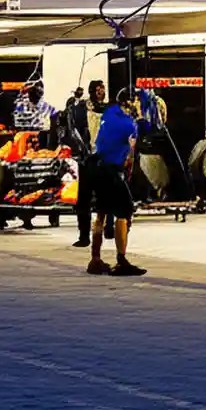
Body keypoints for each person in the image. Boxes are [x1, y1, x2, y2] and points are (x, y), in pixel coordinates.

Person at [87, 88, 146, 276]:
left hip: (96, 167)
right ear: (129, 103)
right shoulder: (129, 125)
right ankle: (121, 261)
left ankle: (95, 259)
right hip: (112, 170)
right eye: (137, 101)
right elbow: (132, 151)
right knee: (125, 211)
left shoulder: (109, 113)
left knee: (101, 213)